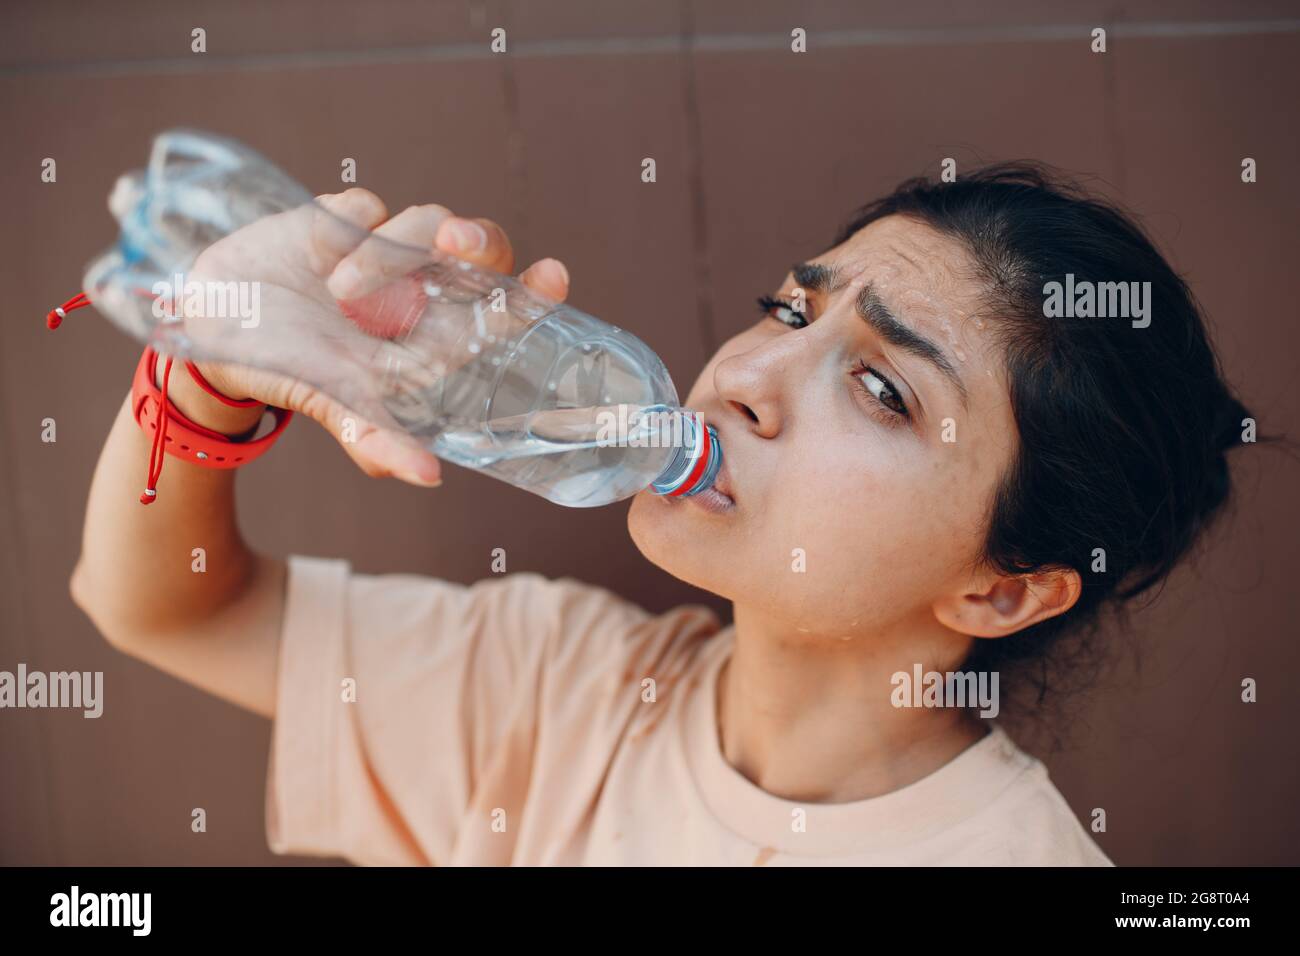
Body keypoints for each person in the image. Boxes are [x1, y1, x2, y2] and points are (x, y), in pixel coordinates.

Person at [70, 164, 1251, 865]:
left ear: (1000, 585)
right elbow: (167, 609)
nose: (743, 375)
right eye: (791, 313)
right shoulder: (555, 684)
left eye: (882, 390)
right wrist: (209, 376)